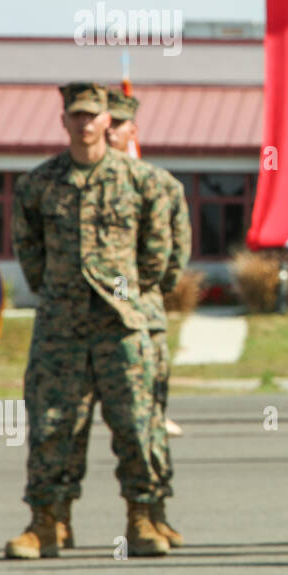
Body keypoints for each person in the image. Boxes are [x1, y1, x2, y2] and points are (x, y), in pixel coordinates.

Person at [6, 83, 174, 559]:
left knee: (135, 426)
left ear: (108, 121)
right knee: (52, 426)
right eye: (75, 115)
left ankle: (141, 519)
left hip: (120, 326)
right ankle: (45, 521)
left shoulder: (142, 182)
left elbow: (156, 254)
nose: (84, 124)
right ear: (64, 121)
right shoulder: (39, 184)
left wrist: (127, 295)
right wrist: (60, 293)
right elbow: (29, 253)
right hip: (61, 327)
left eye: (92, 115)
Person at [50, 89, 191, 551]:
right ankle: (54, 516)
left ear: (131, 128)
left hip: (137, 317)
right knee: (62, 421)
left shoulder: (155, 183)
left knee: (143, 421)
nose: (106, 132)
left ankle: (152, 510)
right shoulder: (52, 181)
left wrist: (141, 291)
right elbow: (35, 254)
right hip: (74, 318)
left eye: (115, 124)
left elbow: (169, 256)